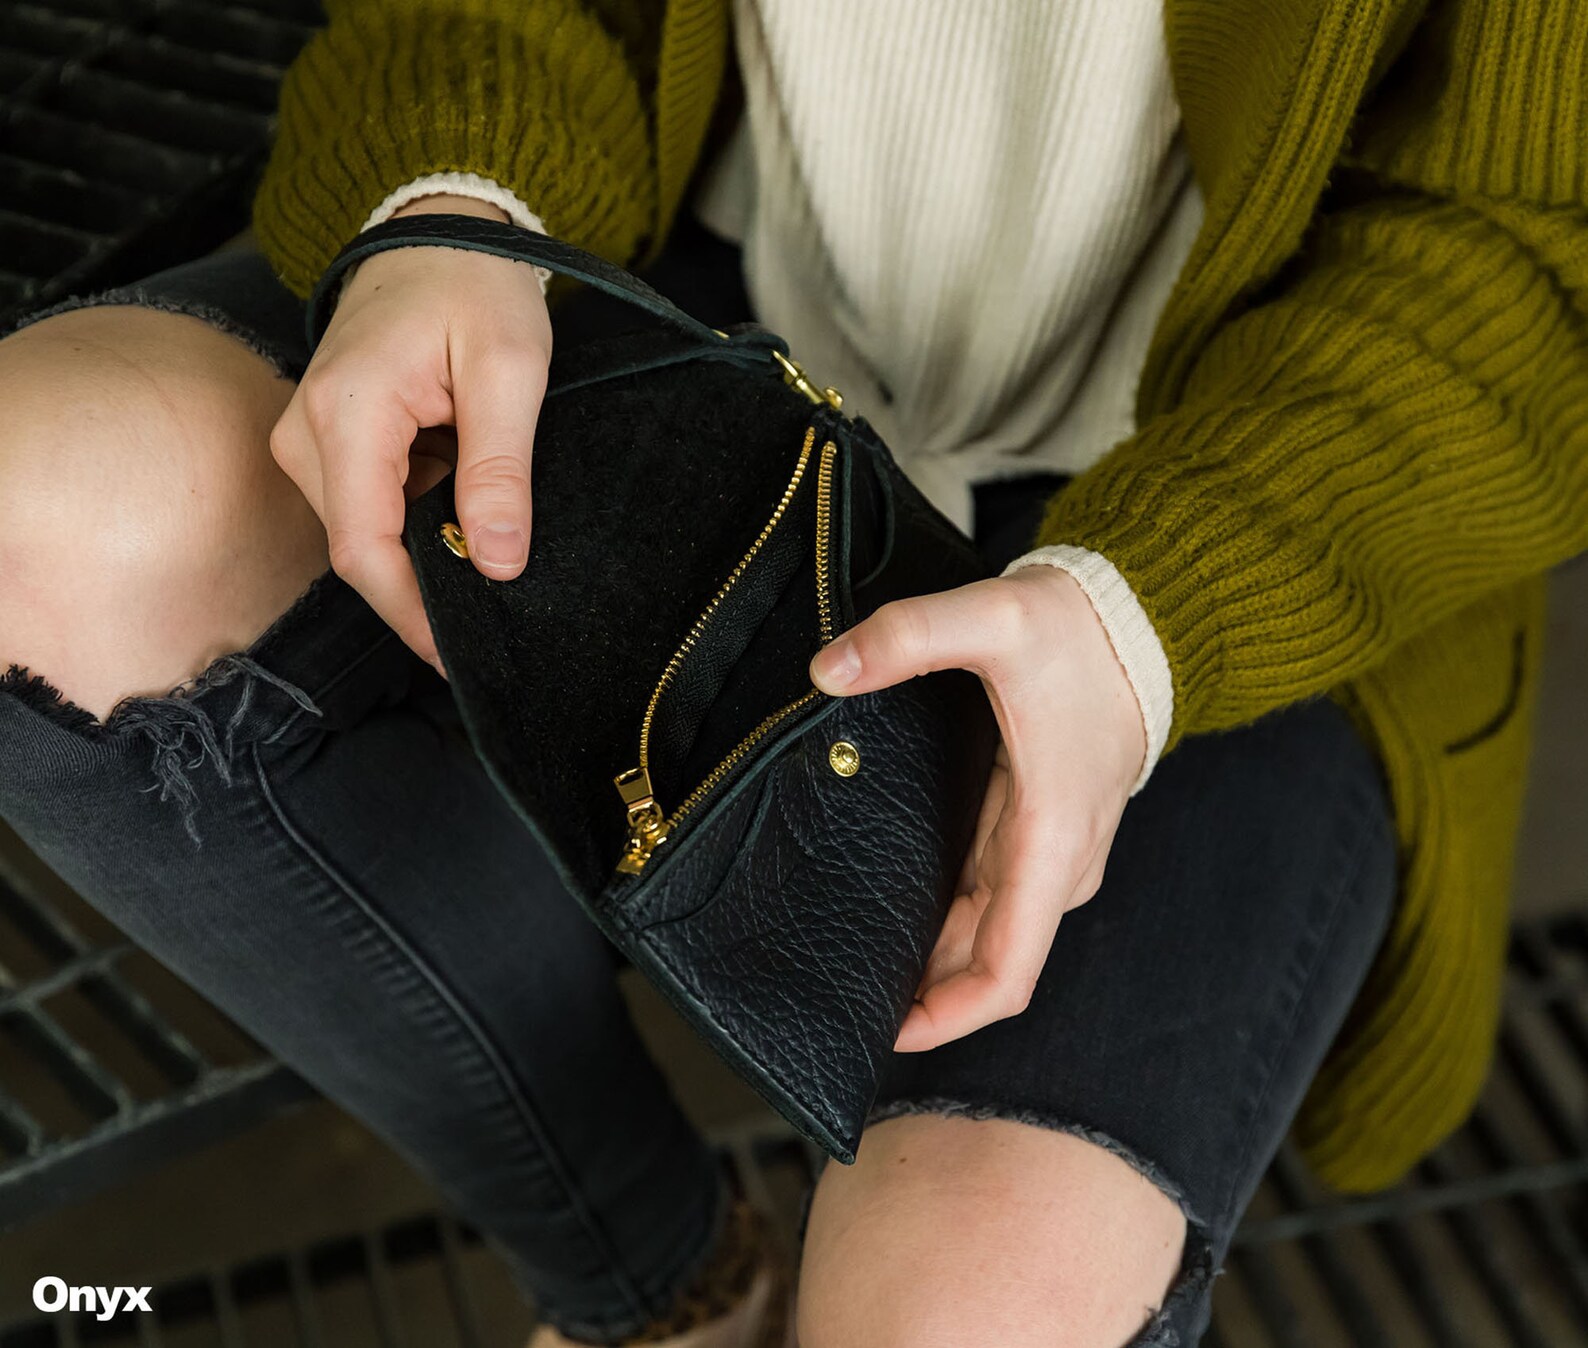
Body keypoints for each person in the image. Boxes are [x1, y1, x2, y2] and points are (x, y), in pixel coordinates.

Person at [0, 0, 1582, 1343]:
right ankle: (660, 1282)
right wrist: (449, 198)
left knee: (973, 1306)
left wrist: (1148, 613)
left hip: (1258, 471)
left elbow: (1538, 255)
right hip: (698, 284)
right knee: (39, 506)